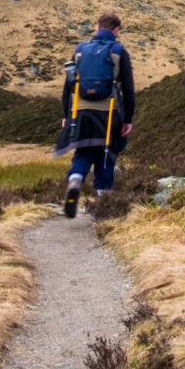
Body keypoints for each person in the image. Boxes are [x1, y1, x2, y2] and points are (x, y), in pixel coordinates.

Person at [54, 12, 135, 218]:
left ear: (97, 28)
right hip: (109, 113)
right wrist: (128, 120)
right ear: (116, 31)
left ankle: (75, 178)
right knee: (106, 154)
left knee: (83, 151)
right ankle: (104, 200)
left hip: (80, 112)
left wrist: (67, 114)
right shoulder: (118, 51)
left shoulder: (80, 50)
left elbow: (68, 86)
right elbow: (128, 89)